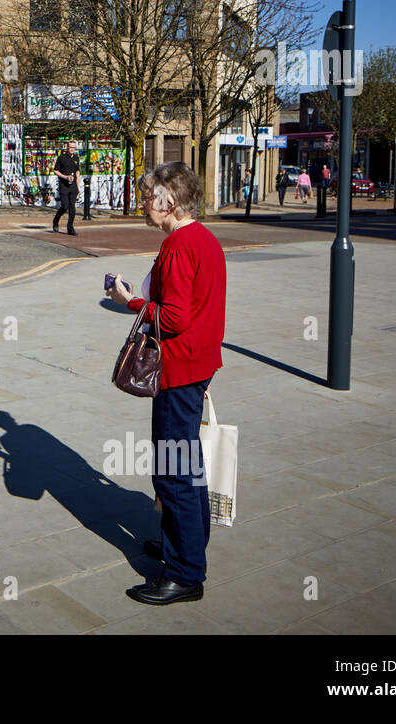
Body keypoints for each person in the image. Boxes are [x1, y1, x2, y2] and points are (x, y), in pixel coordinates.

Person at [106, 161, 225, 605]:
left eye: (147, 196)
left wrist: (130, 300)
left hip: (178, 370)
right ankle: (187, 548)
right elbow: (206, 308)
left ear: (168, 201)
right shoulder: (205, 239)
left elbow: (174, 318)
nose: (143, 204)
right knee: (187, 466)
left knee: (173, 471)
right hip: (197, 365)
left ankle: (185, 574)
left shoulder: (178, 245)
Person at [52, 139, 79, 235]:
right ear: (67, 147)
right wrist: (65, 177)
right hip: (64, 185)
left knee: (73, 207)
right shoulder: (61, 158)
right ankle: (56, 220)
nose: (72, 149)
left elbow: (77, 172)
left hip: (73, 186)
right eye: (70, 147)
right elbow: (55, 171)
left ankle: (70, 227)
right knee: (65, 206)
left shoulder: (76, 158)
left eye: (74, 148)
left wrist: (78, 185)